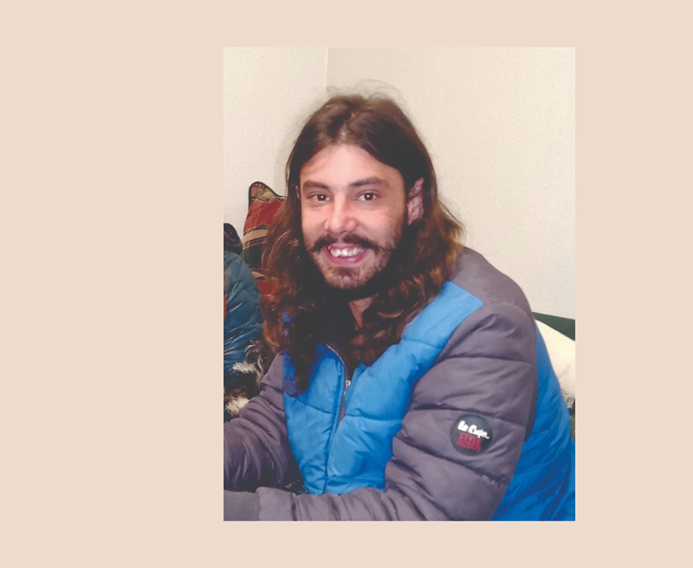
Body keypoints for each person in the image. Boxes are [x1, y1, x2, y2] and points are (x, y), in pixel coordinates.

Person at [223, 93, 575, 520]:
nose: (337, 222)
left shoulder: (485, 327)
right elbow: (270, 431)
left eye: (367, 196)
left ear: (413, 201)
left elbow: (422, 514)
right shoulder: (318, 294)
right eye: (319, 197)